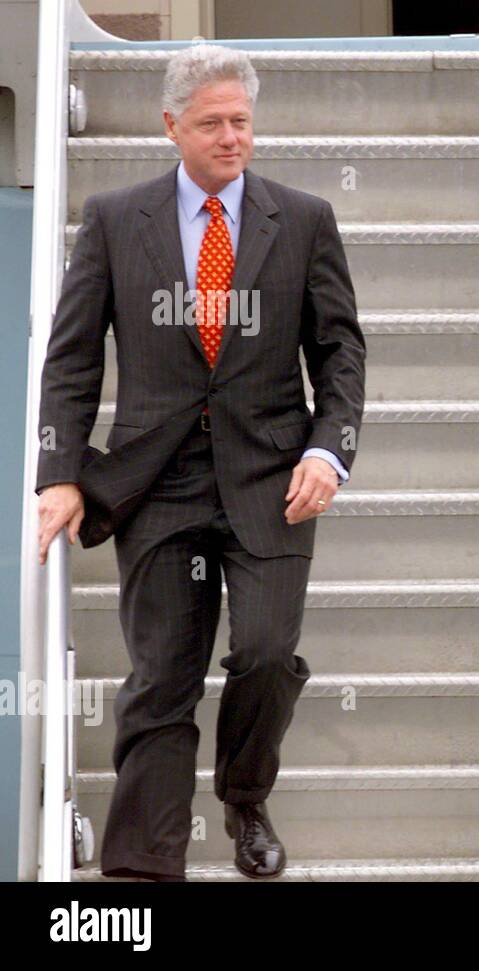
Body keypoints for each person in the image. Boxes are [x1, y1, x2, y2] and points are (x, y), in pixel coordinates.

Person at [33, 43, 366, 881]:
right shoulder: (115, 219)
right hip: (158, 485)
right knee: (162, 679)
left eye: (242, 122)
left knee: (261, 652)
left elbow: (340, 355)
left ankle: (245, 795)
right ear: (171, 125)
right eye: (212, 123)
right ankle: (143, 871)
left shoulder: (305, 218)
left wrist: (331, 450)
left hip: (271, 482)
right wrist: (60, 472)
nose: (231, 137)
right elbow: (72, 358)